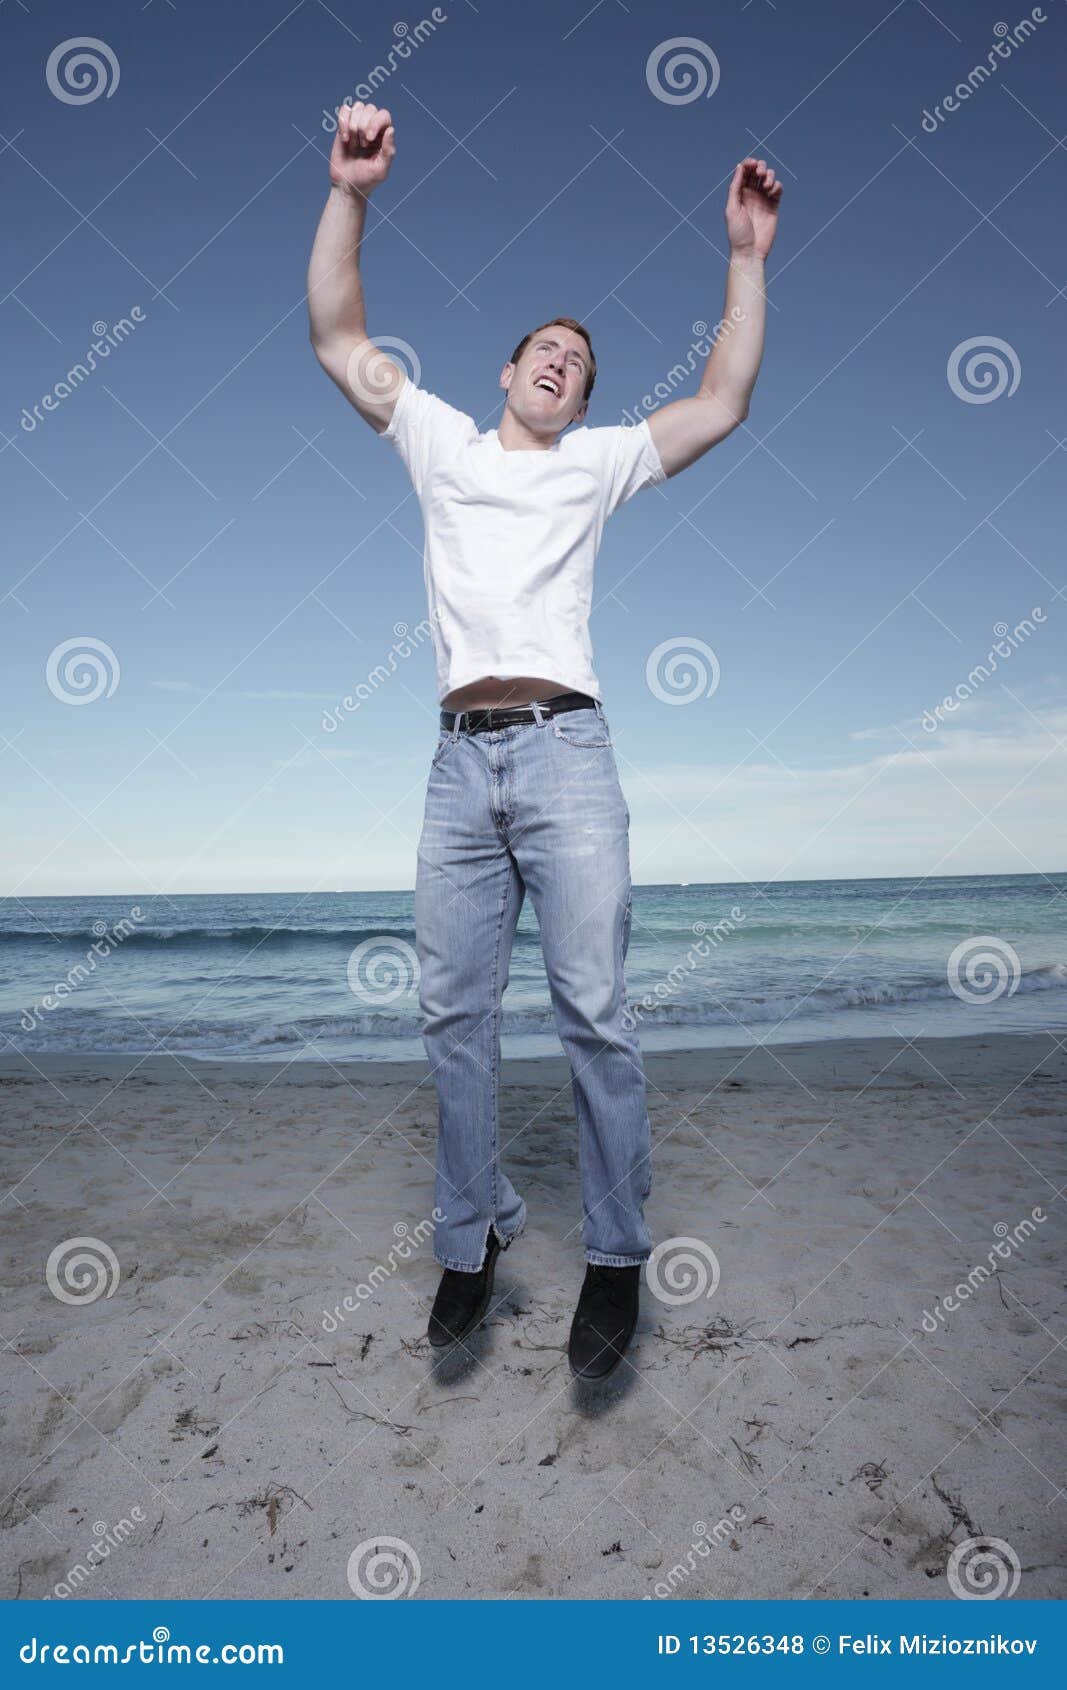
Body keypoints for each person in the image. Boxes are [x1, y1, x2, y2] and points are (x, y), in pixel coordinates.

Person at [307, 100, 781, 1380]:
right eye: (548, 347)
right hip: (458, 762)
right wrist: (351, 192)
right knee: (451, 1013)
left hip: (567, 756)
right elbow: (336, 333)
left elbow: (724, 398)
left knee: (593, 1011)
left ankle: (616, 1257)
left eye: (583, 354)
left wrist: (743, 255)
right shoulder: (442, 443)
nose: (567, 359)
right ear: (509, 368)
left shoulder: (603, 462)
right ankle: (470, 1241)